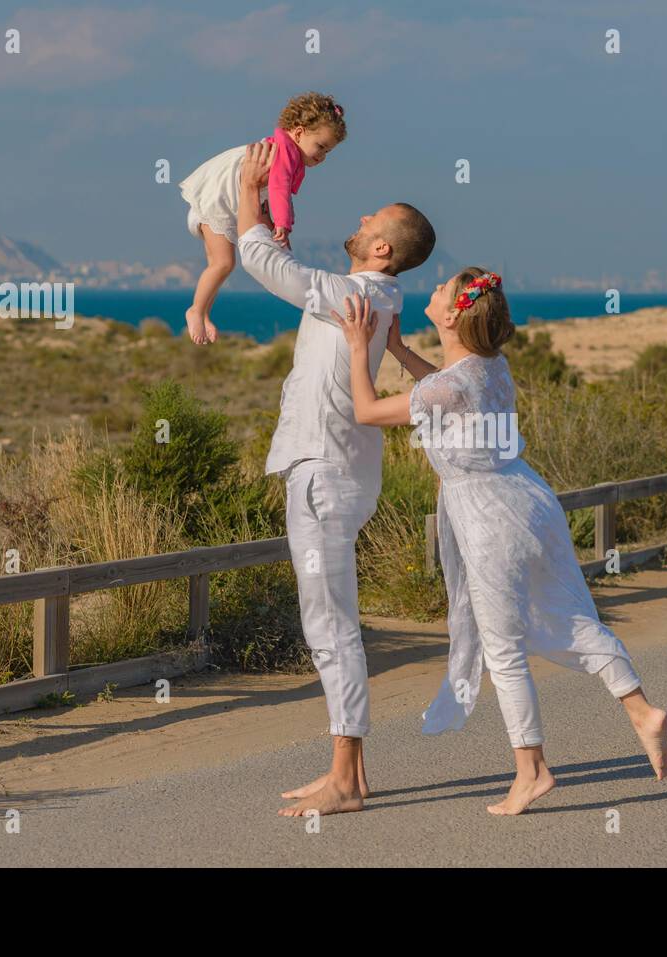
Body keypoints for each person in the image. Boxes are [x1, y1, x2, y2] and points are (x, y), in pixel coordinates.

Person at [333, 270, 667, 815]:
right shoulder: (488, 367)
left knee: (503, 646)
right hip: (528, 499)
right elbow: (441, 390)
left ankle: (531, 770)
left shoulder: (451, 382)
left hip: (489, 517)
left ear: (451, 316)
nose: (435, 290)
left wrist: (357, 346)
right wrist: (398, 348)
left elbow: (368, 411)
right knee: (570, 614)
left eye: (442, 288)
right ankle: (640, 709)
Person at [233, 139, 437, 816]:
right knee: (333, 618)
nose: (358, 219)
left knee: (330, 623)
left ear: (381, 250)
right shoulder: (378, 293)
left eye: (370, 220)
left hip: (324, 474)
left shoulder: (349, 294)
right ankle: (349, 769)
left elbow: (262, 260)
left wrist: (246, 189)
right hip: (340, 471)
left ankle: (345, 777)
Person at [179, 92, 346, 345]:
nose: (322, 156)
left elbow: (267, 198)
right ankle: (196, 311)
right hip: (218, 200)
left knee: (222, 265)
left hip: (225, 200)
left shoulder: (287, 153)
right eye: (320, 147)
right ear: (299, 133)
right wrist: (283, 224)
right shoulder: (283, 154)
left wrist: (278, 229)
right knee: (222, 264)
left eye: (328, 152)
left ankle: (204, 312)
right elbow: (278, 189)